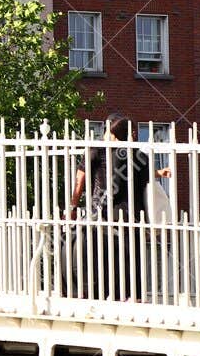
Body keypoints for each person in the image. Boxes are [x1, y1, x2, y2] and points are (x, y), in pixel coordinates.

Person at [68, 117, 171, 299]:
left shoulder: (95, 151)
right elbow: (146, 177)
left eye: (106, 131)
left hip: (101, 212)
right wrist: (159, 172)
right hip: (131, 213)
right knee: (131, 258)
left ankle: (102, 294)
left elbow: (79, 183)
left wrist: (72, 207)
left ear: (112, 132)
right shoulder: (136, 154)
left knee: (102, 257)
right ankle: (134, 295)